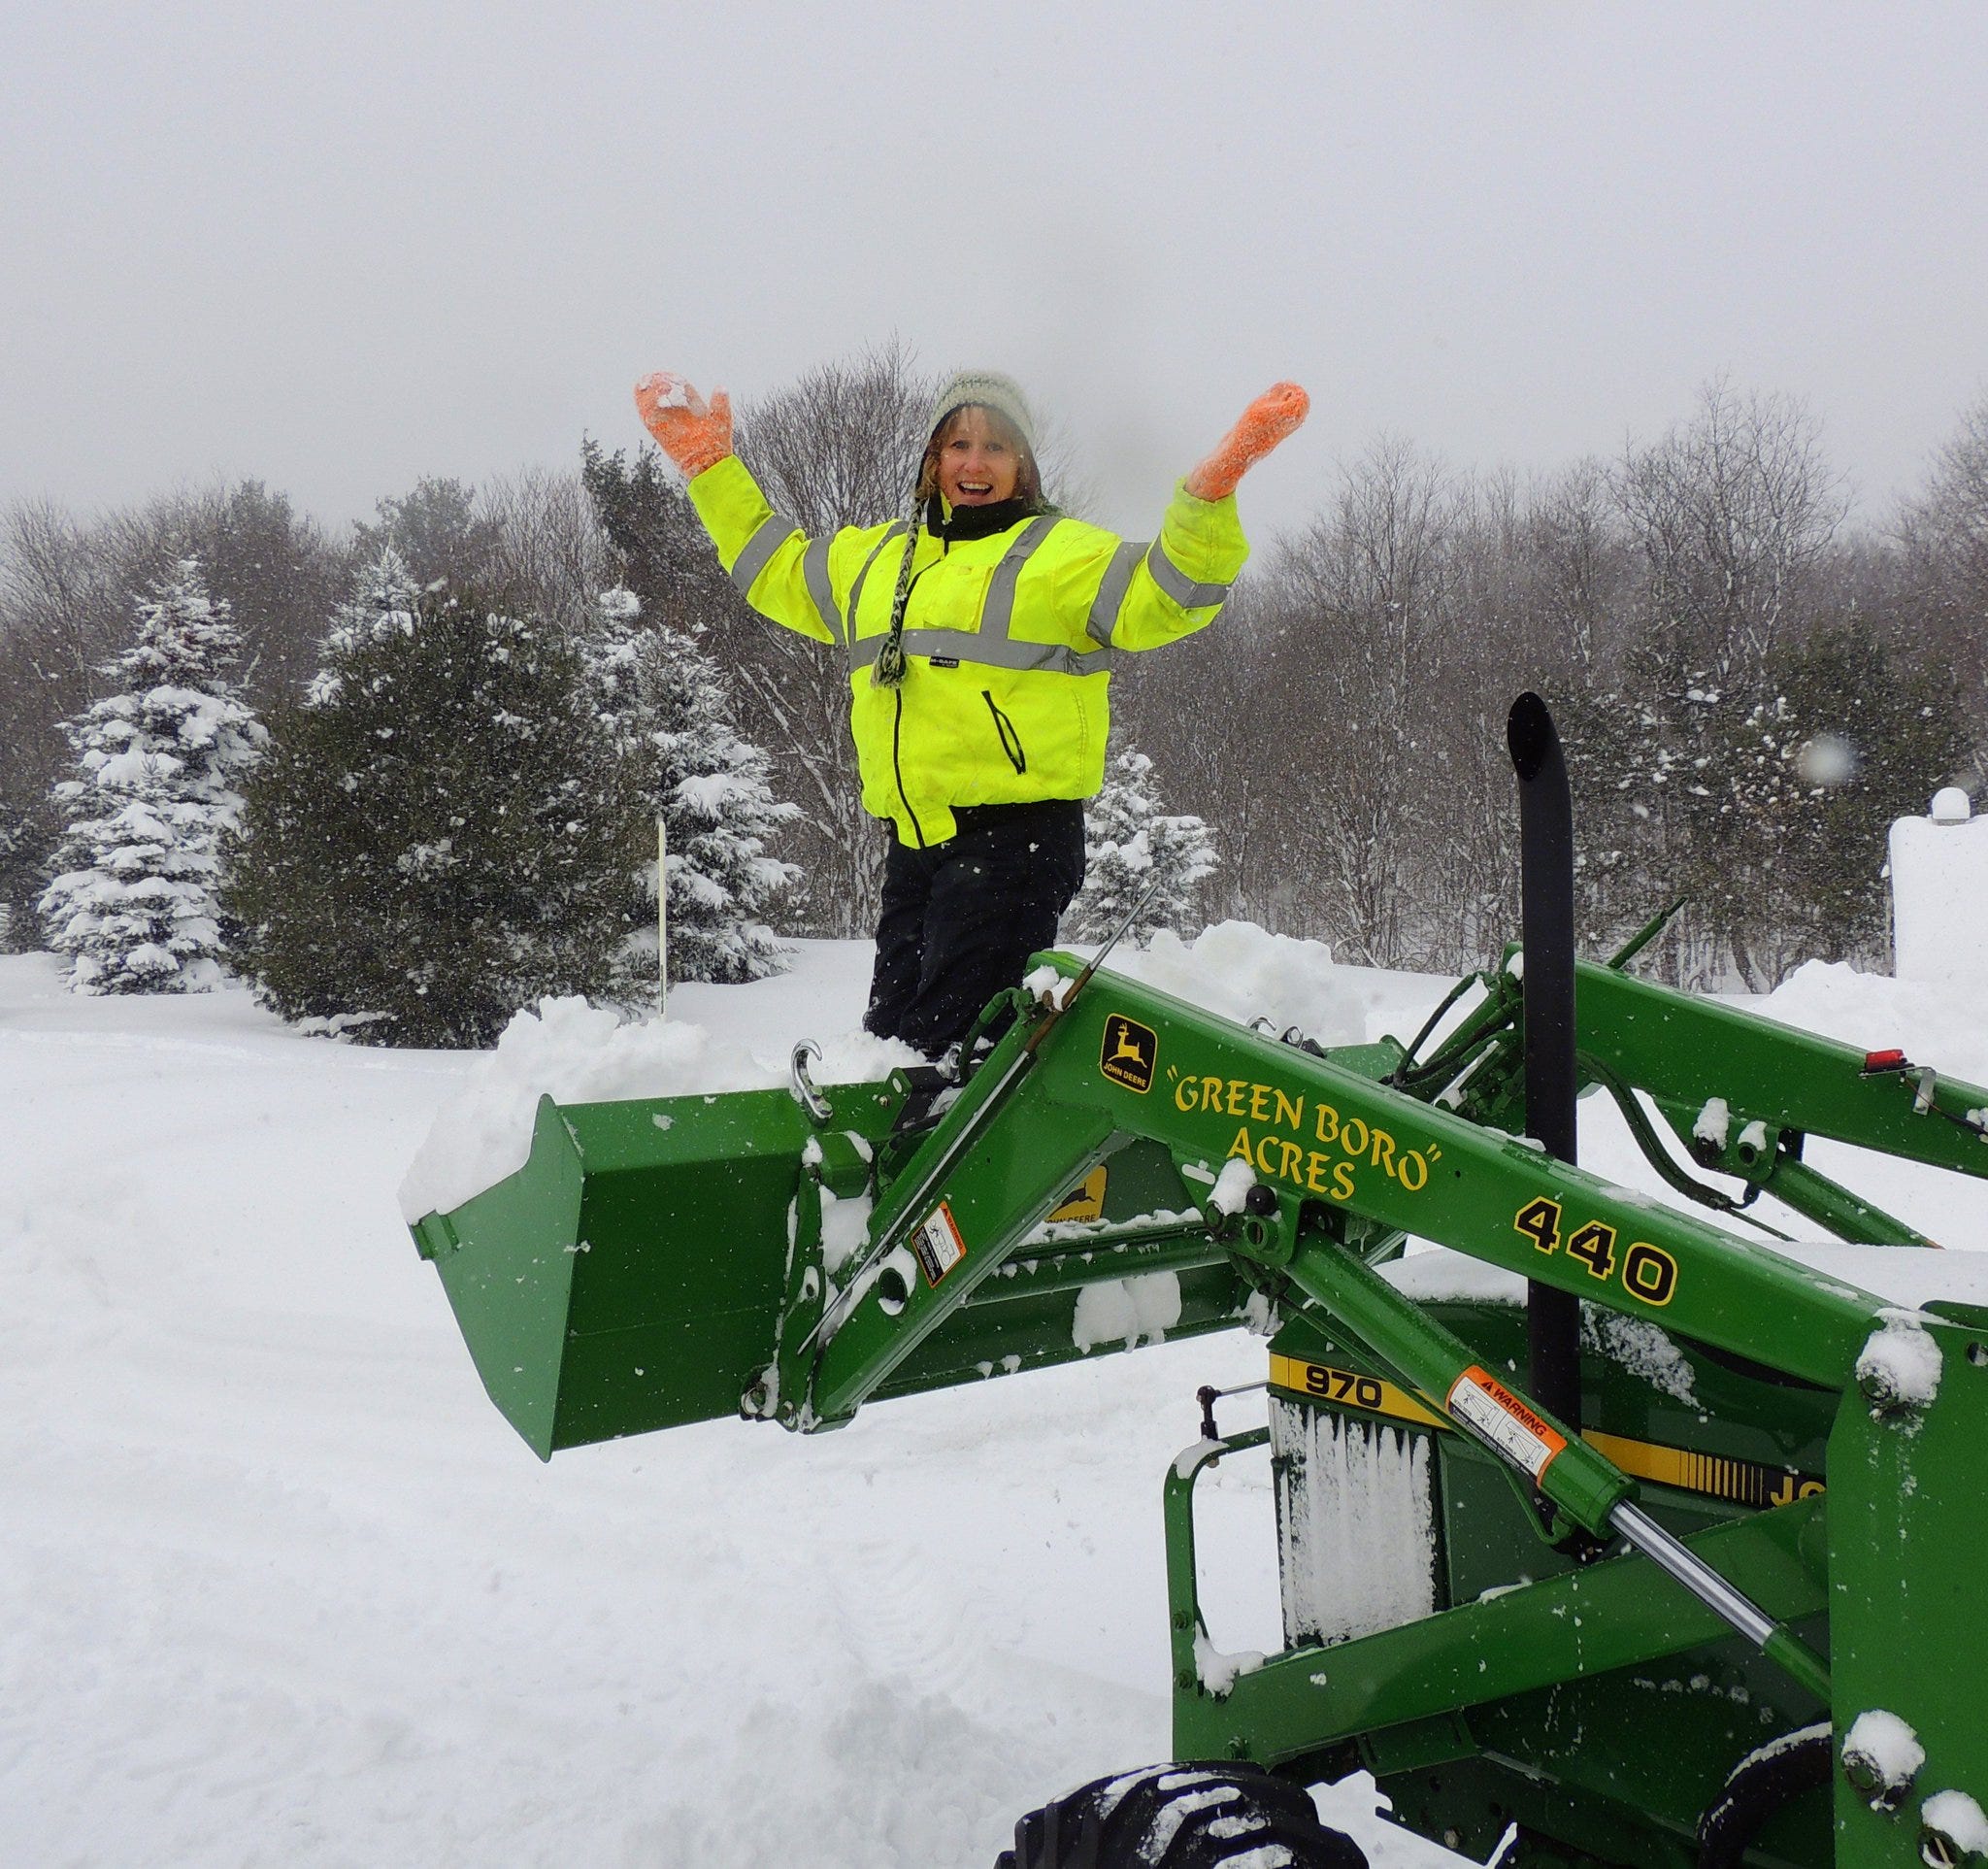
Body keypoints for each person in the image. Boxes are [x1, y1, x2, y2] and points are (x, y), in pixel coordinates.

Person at [634, 365, 1308, 1061]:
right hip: (916, 846)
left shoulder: (1062, 554)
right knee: (892, 1051)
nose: (974, 463)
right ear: (933, 459)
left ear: (1025, 465)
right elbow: (773, 566)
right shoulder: (875, 561)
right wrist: (710, 468)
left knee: (950, 1061)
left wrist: (1207, 495)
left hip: (1015, 844)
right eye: (957, 445)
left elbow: (1174, 592)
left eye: (996, 446)